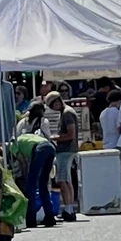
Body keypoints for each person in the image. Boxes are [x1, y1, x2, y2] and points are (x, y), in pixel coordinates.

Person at [9, 125, 56, 228]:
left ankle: (31, 219)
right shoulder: (25, 137)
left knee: (31, 187)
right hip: (50, 147)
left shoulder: (13, 145)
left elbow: (23, 163)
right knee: (43, 184)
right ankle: (50, 215)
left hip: (39, 150)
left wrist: (26, 178)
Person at [46, 91, 79, 222]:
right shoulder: (65, 113)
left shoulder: (67, 113)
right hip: (67, 150)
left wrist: (55, 137)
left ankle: (68, 210)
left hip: (65, 151)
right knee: (67, 180)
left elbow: (71, 134)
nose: (52, 108)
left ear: (57, 101)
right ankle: (69, 209)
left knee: (62, 180)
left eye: (52, 105)